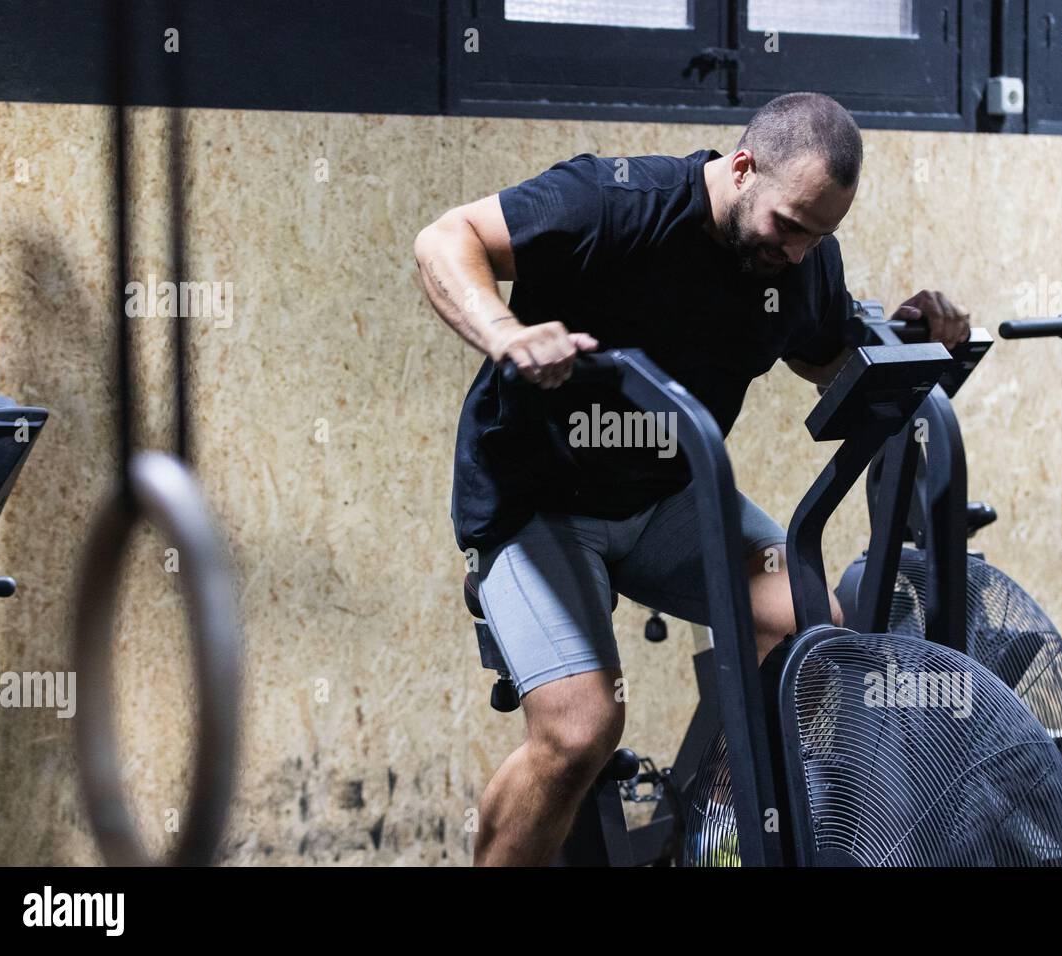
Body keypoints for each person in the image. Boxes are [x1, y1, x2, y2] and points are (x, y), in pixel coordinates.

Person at [414, 91, 970, 865]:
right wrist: (505, 333)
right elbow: (446, 237)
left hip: (671, 498)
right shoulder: (614, 201)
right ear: (741, 168)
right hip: (535, 503)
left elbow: (824, 360)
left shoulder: (798, 255)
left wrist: (917, 339)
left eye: (821, 236)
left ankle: (709, 841)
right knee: (580, 731)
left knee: (815, 642)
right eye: (790, 227)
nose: (801, 252)